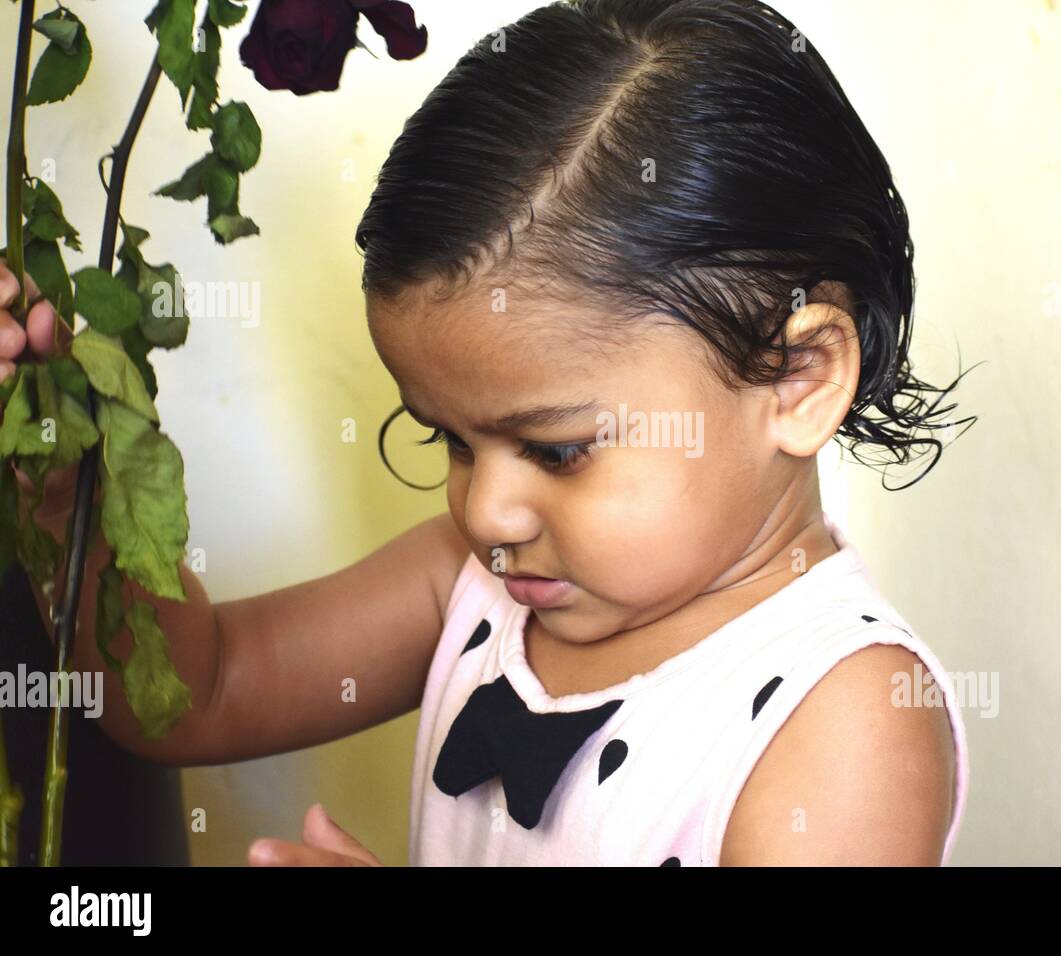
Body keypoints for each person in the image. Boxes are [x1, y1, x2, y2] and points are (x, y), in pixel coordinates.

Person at [0, 0, 974, 866]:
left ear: (797, 378)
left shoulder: (843, 716)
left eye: (556, 450)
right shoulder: (468, 584)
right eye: (452, 441)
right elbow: (192, 692)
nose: (488, 506)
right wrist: (61, 478)